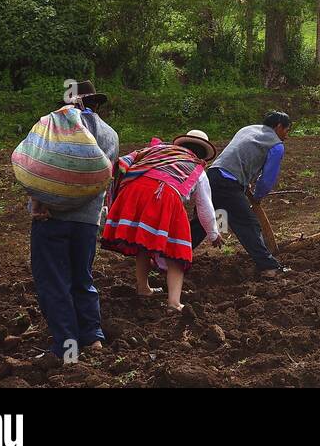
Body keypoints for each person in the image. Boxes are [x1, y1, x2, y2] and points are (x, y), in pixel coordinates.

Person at [29, 81, 117, 362]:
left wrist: (39, 201)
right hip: (88, 221)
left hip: (53, 217)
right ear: (97, 104)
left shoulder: (60, 125)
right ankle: (93, 338)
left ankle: (66, 348)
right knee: (82, 279)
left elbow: (40, 165)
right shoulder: (111, 135)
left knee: (54, 283)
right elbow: (104, 177)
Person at [101, 130, 222, 310]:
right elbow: (204, 206)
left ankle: (143, 288)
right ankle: (174, 302)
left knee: (143, 242)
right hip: (164, 196)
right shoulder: (197, 168)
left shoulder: (158, 151)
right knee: (176, 251)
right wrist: (213, 233)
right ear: (202, 155)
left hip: (133, 191)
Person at [192, 112, 290, 274]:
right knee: (249, 224)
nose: (286, 136)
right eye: (286, 131)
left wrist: (244, 185)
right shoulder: (276, 145)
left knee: (202, 222)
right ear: (279, 126)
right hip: (229, 184)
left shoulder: (247, 129)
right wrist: (257, 197)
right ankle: (269, 266)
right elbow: (267, 179)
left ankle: (169, 255)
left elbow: (239, 155)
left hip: (211, 176)